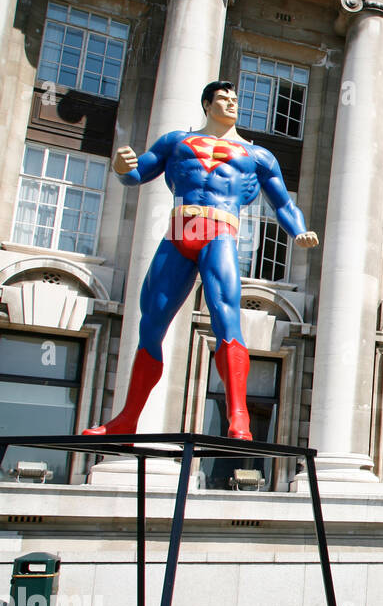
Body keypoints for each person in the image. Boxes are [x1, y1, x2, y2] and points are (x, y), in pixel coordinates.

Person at [84, 81, 318, 439]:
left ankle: (239, 418)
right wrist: (120, 167)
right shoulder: (176, 141)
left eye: (235, 99)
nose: (231, 104)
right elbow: (136, 175)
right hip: (179, 231)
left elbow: (284, 204)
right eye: (223, 98)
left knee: (227, 319)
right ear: (207, 104)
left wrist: (298, 231)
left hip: (220, 232)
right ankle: (127, 419)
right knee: (151, 323)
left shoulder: (257, 156)